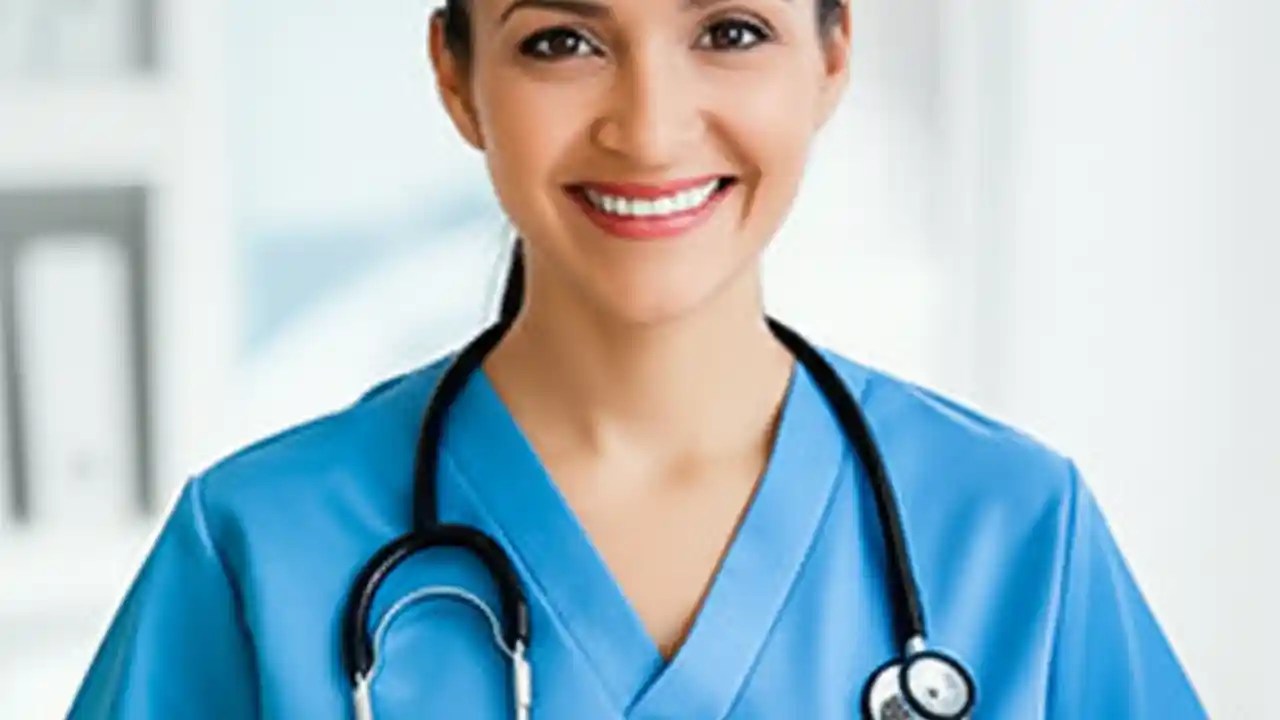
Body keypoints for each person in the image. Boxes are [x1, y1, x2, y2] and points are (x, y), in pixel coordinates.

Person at [69, 0, 1206, 717]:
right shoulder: (259, 547)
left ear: (831, 53)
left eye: (728, 32)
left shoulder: (1011, 534)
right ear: (458, 77)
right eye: (563, 41)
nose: (650, 127)